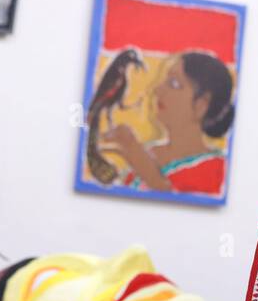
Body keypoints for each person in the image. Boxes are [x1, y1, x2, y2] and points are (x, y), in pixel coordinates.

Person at [99, 51, 235, 197]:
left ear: (201, 105)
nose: (157, 90)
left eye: (174, 84)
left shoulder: (217, 168)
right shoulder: (149, 153)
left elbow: (181, 204)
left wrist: (139, 159)